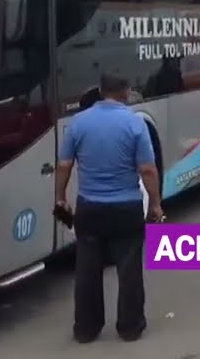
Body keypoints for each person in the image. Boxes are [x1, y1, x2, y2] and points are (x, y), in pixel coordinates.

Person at [55, 72, 164, 344]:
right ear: (126, 92)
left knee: (87, 269)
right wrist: (155, 204)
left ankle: (86, 328)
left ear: (101, 91)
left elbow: (64, 165)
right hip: (126, 208)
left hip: (89, 207)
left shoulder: (78, 123)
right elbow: (147, 170)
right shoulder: (134, 123)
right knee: (129, 270)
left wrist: (60, 197)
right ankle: (130, 327)